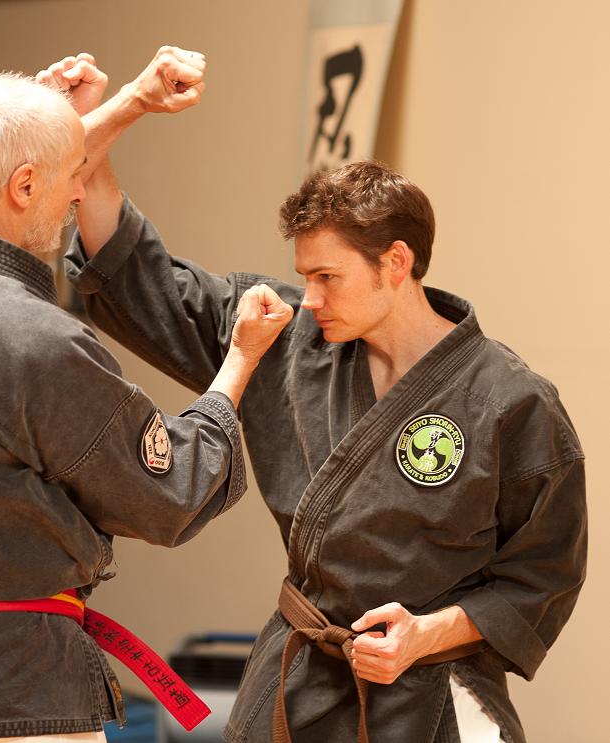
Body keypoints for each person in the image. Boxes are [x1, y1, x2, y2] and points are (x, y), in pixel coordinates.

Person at [0, 48, 293, 743]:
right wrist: (239, 359)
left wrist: (127, 102)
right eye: (70, 178)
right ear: (23, 185)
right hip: (9, 689)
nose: (79, 195)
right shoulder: (36, 342)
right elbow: (174, 488)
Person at [65, 129, 587, 738]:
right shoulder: (285, 340)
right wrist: (92, 145)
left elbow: (544, 574)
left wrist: (425, 635)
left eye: (328, 277)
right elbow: (140, 281)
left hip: (427, 697)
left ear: (396, 262)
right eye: (303, 276)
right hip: (299, 680)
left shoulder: (510, 400)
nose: (310, 298)